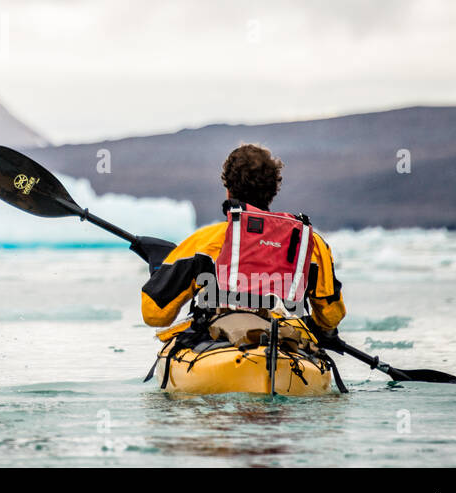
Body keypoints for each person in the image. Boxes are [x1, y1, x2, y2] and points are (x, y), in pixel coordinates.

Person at [140, 144, 345, 344]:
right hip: (286, 344)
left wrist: (160, 271)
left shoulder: (205, 242)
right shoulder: (311, 243)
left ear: (228, 190)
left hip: (220, 345)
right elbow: (330, 317)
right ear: (273, 191)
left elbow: (154, 315)